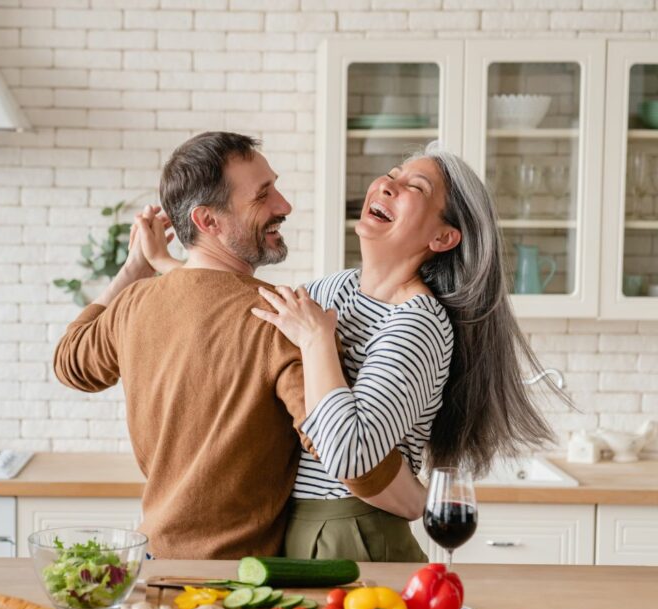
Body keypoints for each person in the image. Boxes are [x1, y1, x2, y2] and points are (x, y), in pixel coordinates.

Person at [141, 142, 561, 562]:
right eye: (392, 174)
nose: (387, 186)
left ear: (443, 236)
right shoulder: (334, 289)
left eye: (414, 186)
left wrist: (317, 342)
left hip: (355, 533)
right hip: (293, 528)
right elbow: (245, 311)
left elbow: (350, 455)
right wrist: (165, 263)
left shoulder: (418, 323)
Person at [52, 132, 404, 560]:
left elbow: (70, 362)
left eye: (274, 185)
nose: (284, 205)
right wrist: (424, 501)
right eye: (263, 196)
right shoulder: (278, 319)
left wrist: (133, 269)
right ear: (208, 221)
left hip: (152, 564)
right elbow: (350, 458)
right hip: (236, 582)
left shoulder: (134, 304)